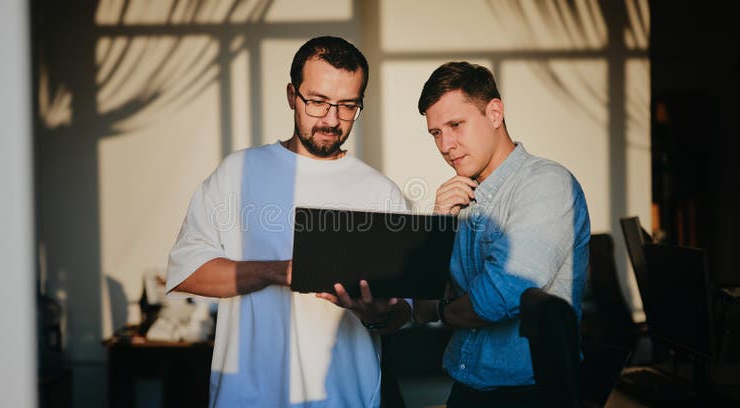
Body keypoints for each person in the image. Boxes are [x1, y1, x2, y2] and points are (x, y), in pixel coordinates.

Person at [166, 36, 411, 407]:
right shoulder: (239, 172)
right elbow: (187, 271)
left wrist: (377, 315)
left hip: (345, 399)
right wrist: (278, 271)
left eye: (348, 106)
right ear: (291, 95)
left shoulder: (382, 192)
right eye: (317, 102)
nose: (332, 119)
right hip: (247, 398)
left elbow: (403, 311)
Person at [413, 61, 590, 407]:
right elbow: (421, 308)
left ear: (494, 113)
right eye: (436, 133)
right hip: (465, 388)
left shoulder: (547, 184)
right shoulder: (457, 201)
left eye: (455, 125)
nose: (446, 144)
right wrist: (437, 223)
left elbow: (497, 298)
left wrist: (443, 310)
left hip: (530, 395)